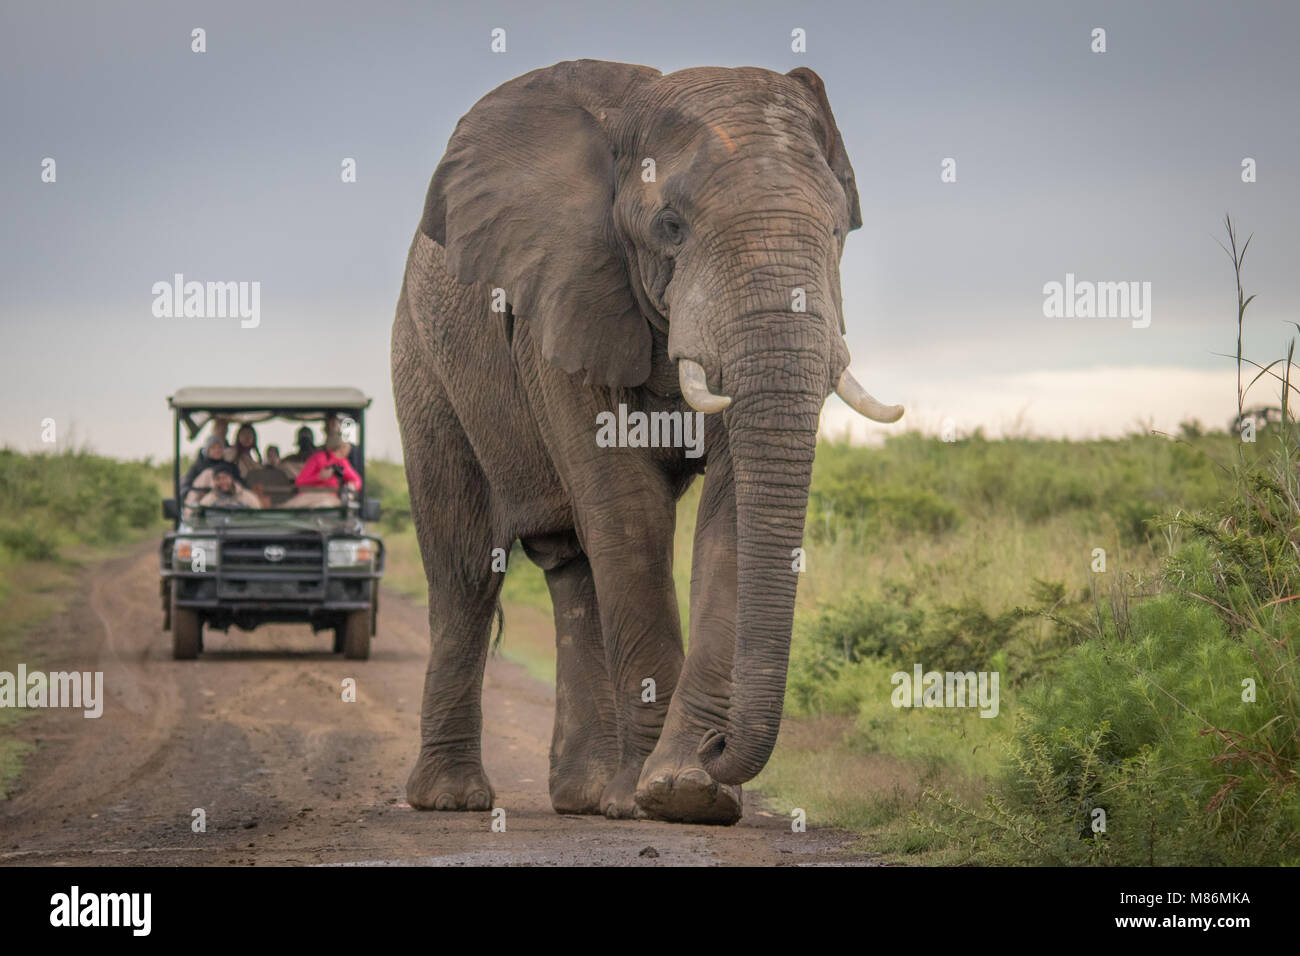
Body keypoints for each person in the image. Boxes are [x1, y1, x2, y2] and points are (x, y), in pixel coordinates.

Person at [181, 436, 239, 500]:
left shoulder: (231, 467)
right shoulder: (197, 467)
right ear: (207, 450)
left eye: (219, 447)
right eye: (213, 448)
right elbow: (185, 488)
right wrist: (200, 493)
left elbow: (240, 485)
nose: (217, 450)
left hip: (228, 500)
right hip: (203, 501)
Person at [294, 443, 362, 494]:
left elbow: (356, 480)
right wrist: (318, 477)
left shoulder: (342, 462)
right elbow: (299, 481)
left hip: (332, 498)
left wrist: (352, 485)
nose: (348, 450)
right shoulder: (318, 458)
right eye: (344, 446)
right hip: (311, 495)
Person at [323, 414, 364, 481]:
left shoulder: (350, 452)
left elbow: (356, 480)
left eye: (333, 424)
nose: (331, 428)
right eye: (328, 425)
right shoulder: (318, 456)